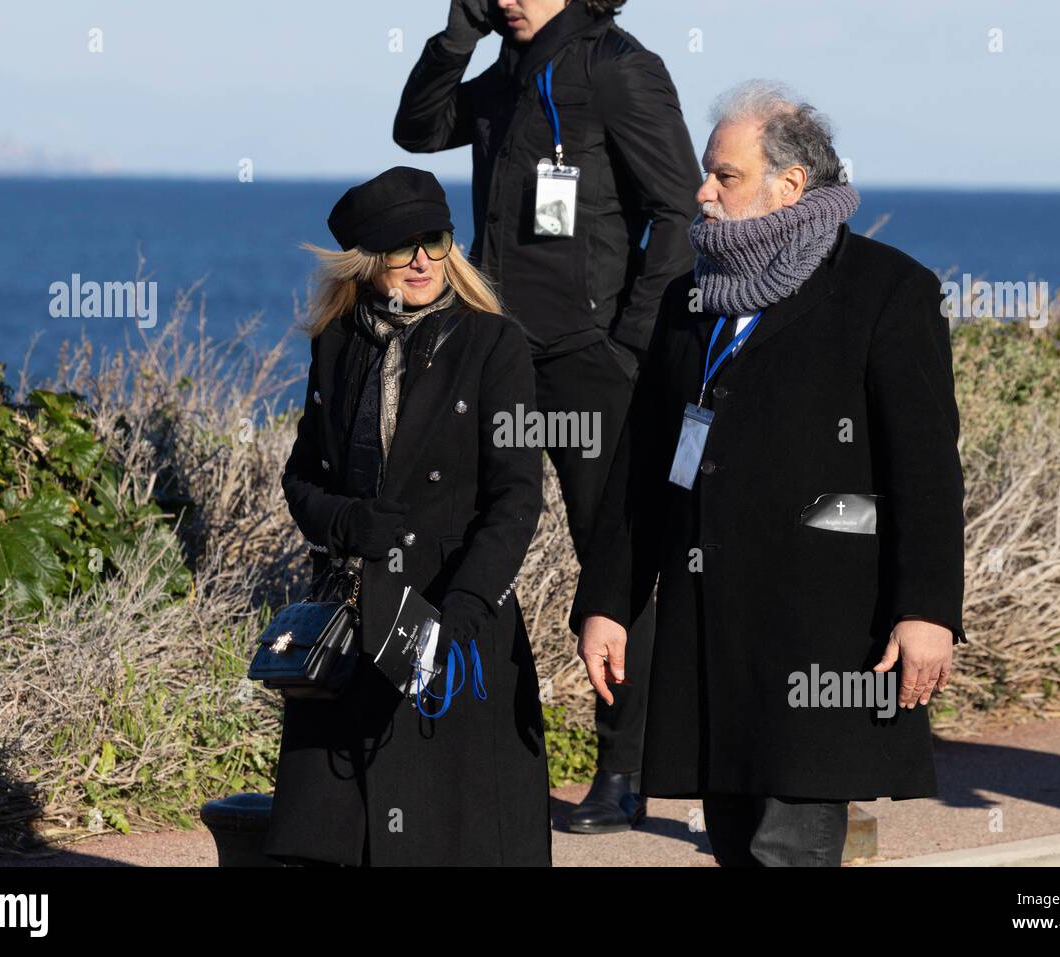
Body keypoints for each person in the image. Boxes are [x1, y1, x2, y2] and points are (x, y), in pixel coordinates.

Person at [570, 80, 968, 866]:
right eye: (706, 173)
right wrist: (609, 603)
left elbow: (925, 468)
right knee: (734, 845)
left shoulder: (886, 290)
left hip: (825, 632)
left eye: (725, 175)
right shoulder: (691, 300)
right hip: (710, 630)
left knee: (790, 846)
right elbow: (643, 468)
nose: (702, 191)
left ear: (789, 186)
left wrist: (927, 610)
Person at [394, 0, 702, 833]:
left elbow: (680, 214)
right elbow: (417, 131)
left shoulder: (618, 68)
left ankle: (625, 768)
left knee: (615, 552)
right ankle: (445, 744)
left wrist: (628, 346)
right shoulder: (507, 74)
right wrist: (460, 32)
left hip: (590, 364)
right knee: (452, 531)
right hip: (495, 352)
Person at [263, 166, 550, 866]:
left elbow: (517, 496)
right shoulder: (335, 344)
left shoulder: (494, 345)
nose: (422, 259)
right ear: (368, 259)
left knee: (447, 839)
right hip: (348, 624)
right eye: (401, 246)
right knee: (326, 835)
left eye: (435, 239)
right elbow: (301, 477)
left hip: (452, 625)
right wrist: (347, 524)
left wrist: (462, 612)